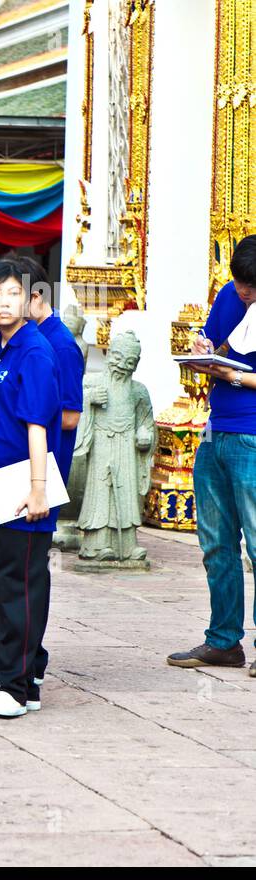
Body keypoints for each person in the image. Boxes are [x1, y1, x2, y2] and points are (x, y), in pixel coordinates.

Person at [0, 258, 61, 718]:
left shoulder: (36, 351)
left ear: (31, 298)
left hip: (23, 483)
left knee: (21, 585)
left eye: (13, 293)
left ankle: (18, 687)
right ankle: (9, 678)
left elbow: (39, 425)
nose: (4, 301)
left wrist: (38, 490)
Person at [167, 236, 256, 672]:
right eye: (240, 284)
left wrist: (236, 377)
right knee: (217, 543)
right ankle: (224, 640)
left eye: (252, 289)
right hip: (216, 429)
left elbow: (235, 370)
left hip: (253, 434)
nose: (244, 294)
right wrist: (204, 351)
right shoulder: (228, 293)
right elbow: (216, 343)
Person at [16, 255, 85, 481]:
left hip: (45, 468)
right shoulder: (23, 335)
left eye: (12, 297)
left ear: (35, 297)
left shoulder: (61, 345)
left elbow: (70, 417)